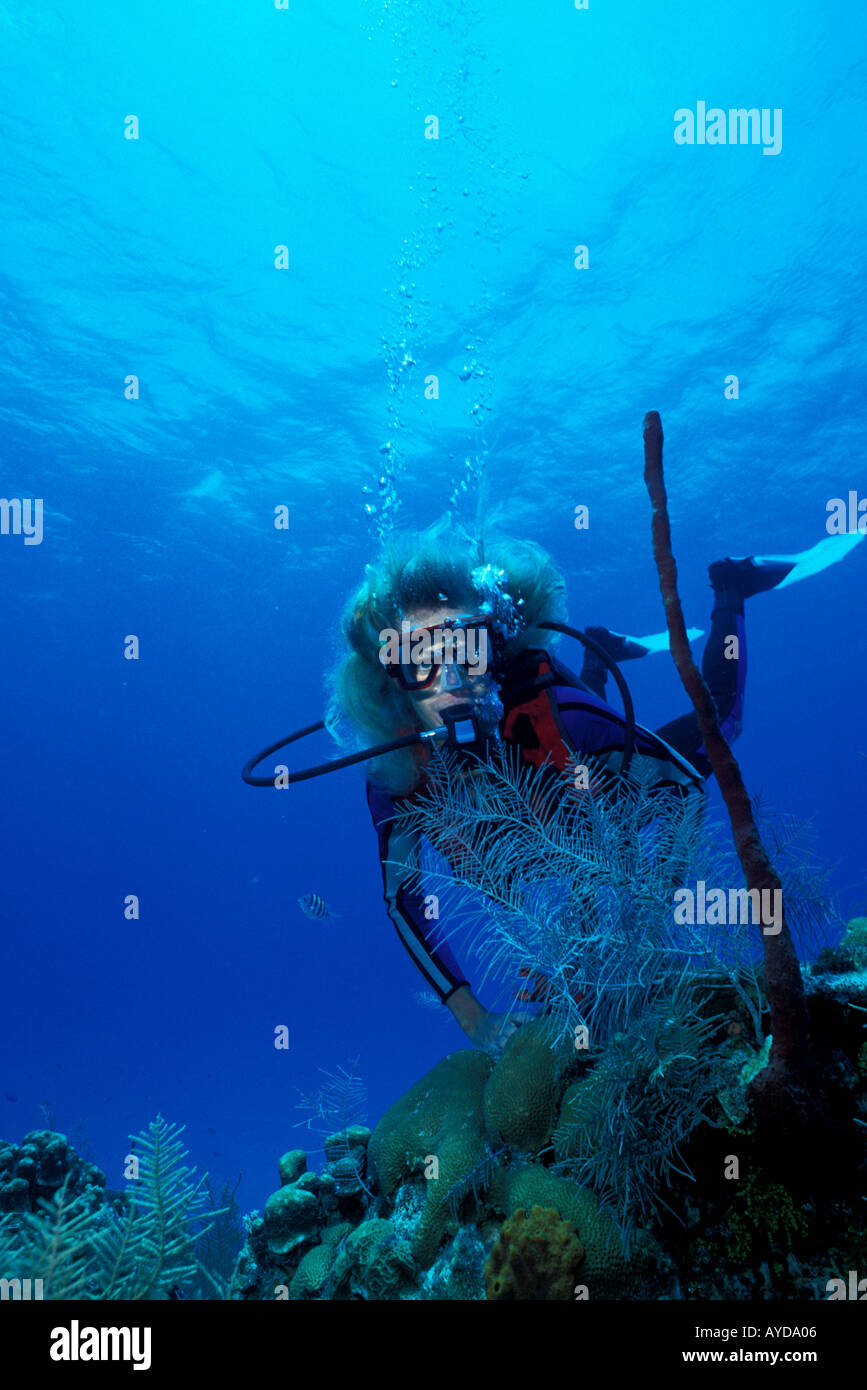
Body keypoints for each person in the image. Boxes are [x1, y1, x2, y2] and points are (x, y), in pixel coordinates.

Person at [328, 519, 851, 1054]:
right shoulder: (396, 776)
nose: (454, 680)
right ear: (390, 678)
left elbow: (683, 783)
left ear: (497, 647)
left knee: (721, 723)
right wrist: (473, 1017)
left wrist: (644, 930)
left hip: (603, 795)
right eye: (423, 660)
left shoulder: (563, 717)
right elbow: (403, 897)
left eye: (468, 648)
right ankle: (599, 648)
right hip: (554, 830)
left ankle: (730, 590)